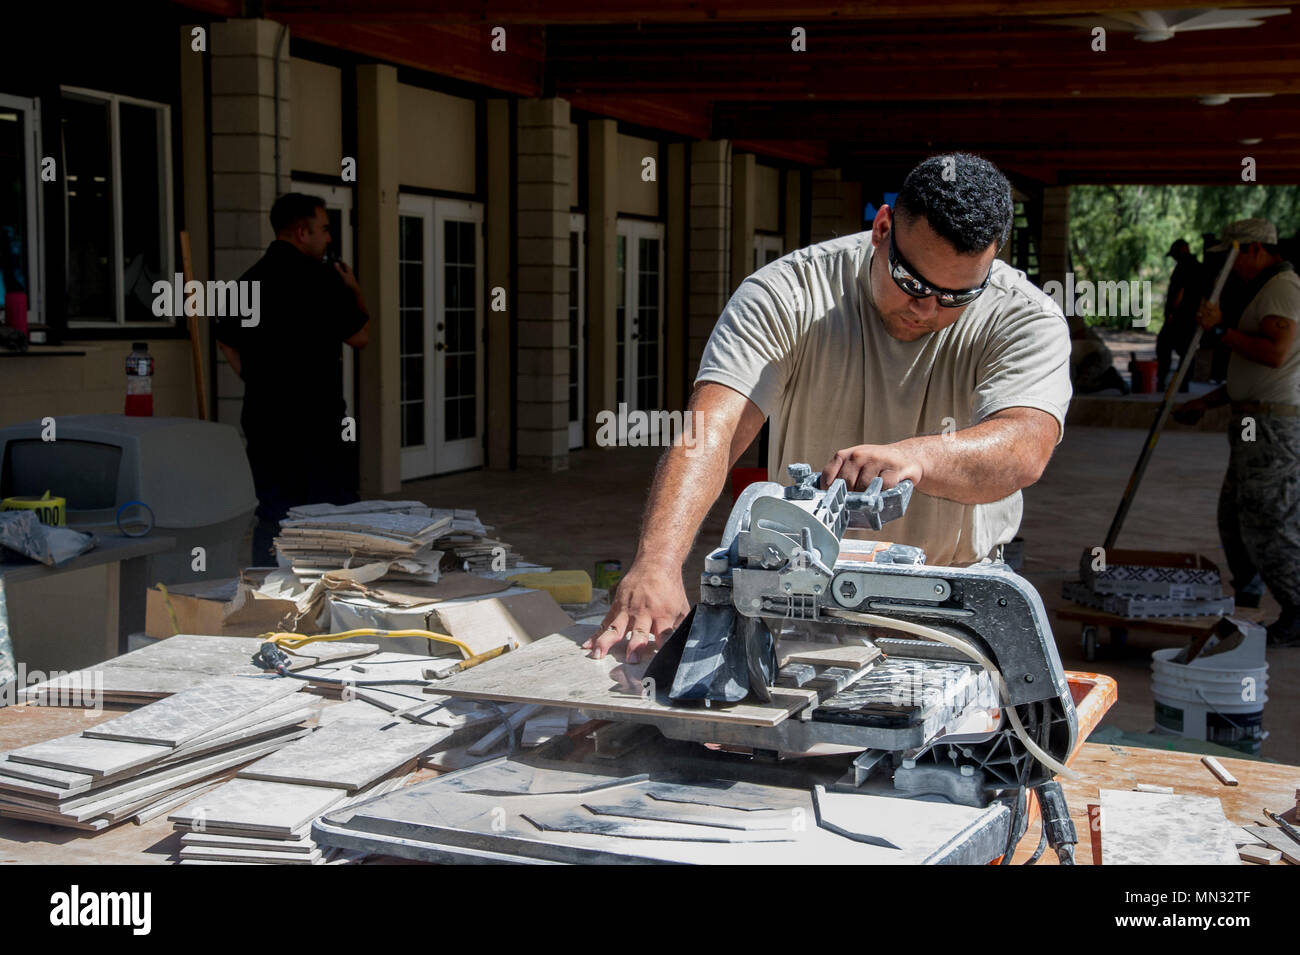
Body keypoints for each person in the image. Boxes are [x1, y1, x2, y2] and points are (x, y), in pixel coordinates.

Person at [588, 154, 1071, 662]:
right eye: (912, 282)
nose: (927, 308)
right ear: (882, 228)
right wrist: (658, 563)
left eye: (957, 296)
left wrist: (919, 459)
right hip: (802, 597)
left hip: (951, 603)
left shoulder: (1025, 316)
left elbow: (1025, 446)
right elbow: (713, 429)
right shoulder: (789, 293)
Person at [215, 193, 371, 566]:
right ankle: (331, 595)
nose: (328, 239)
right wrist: (354, 290)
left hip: (266, 420)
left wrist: (255, 377)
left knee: (274, 517)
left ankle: (268, 596)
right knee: (329, 517)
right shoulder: (322, 281)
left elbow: (224, 337)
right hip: (318, 424)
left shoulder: (249, 281)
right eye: (324, 229)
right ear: (302, 232)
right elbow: (360, 337)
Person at [1174, 218, 1300, 647]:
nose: (1230, 268)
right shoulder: (1266, 291)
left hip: (1272, 428)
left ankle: (1297, 608)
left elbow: (1275, 354)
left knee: (1268, 520)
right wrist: (1207, 402)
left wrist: (1221, 329)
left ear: (1252, 251)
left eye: (1232, 256)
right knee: (1235, 516)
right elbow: (1252, 372)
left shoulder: (1282, 287)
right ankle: (1248, 592)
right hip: (1251, 421)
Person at [1157, 239, 1205, 391]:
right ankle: (1182, 383)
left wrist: (1172, 313)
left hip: (1180, 317)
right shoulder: (1198, 267)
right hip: (1191, 317)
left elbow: (1180, 291)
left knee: (1164, 347)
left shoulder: (1185, 266)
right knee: (1186, 351)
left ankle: (1164, 380)